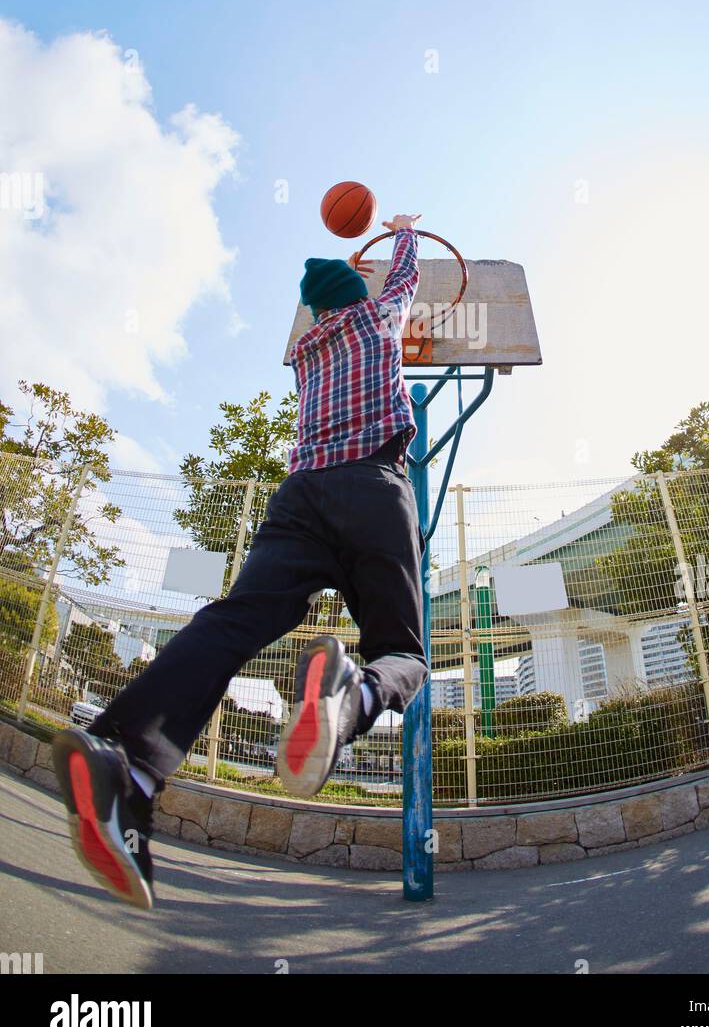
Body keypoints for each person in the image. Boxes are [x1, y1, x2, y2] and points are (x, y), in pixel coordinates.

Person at [52, 214, 429, 909]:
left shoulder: (306, 352)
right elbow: (405, 275)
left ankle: (127, 764)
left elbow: (338, 306)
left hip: (298, 501)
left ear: (316, 311)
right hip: (373, 485)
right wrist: (404, 230)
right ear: (361, 295)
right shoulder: (380, 321)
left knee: (231, 622)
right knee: (403, 652)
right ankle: (353, 695)